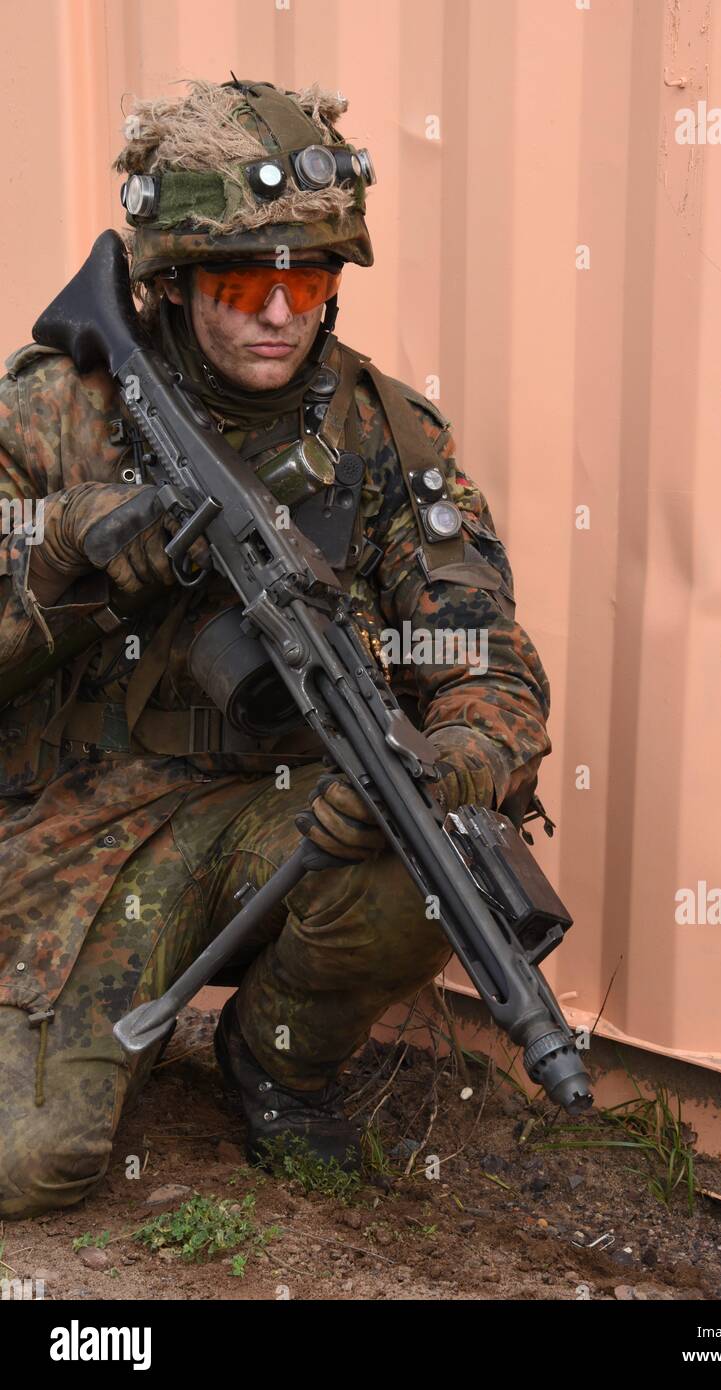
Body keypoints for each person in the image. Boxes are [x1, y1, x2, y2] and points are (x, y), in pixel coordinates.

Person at [0, 78, 552, 1218]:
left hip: (281, 811)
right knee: (34, 1166)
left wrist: (444, 767)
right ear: (166, 285)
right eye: (246, 283)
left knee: (433, 859)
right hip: (82, 822)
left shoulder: (386, 435)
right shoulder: (59, 411)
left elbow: (486, 663)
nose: (279, 313)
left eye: (309, 283)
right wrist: (70, 551)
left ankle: (280, 1067)